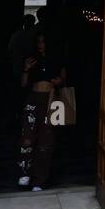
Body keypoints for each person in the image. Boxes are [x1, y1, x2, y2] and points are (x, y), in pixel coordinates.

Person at [17, 33, 67, 192]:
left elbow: (64, 80)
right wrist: (25, 69)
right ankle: (25, 173)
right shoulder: (31, 60)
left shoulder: (57, 60)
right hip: (33, 99)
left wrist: (59, 81)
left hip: (53, 100)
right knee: (27, 137)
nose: (40, 45)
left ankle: (39, 180)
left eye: (43, 42)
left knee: (47, 140)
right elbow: (23, 84)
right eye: (38, 42)